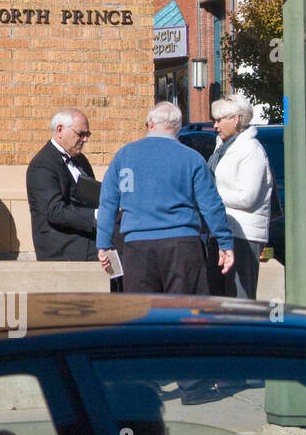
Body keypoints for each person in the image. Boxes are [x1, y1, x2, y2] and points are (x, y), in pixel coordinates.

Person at [97, 102, 234, 295]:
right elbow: (211, 205)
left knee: (142, 315)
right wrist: (225, 242)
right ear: (177, 128)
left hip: (137, 247)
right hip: (182, 245)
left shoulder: (124, 156)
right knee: (184, 314)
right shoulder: (192, 158)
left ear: (151, 124)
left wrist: (104, 245)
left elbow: (108, 203)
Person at [206, 94, 273, 300]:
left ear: (235, 119)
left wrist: (210, 196)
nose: (215, 125)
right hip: (220, 230)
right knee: (217, 297)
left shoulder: (251, 150)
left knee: (239, 300)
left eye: (219, 120)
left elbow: (247, 197)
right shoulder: (222, 147)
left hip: (243, 235)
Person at [27, 108, 99, 261]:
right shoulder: (42, 165)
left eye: (88, 134)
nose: (85, 139)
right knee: (114, 246)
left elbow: (92, 195)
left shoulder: (80, 160)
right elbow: (55, 211)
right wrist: (95, 215)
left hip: (85, 232)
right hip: (61, 242)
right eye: (81, 134)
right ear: (60, 130)